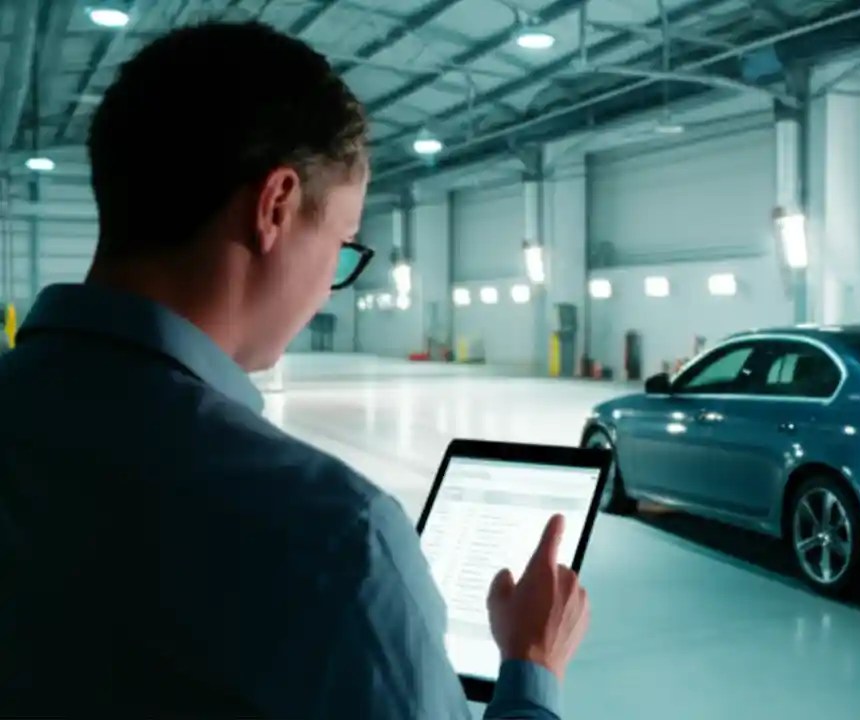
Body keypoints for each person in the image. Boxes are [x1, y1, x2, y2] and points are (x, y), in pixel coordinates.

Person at [0, 21, 588, 719]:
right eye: (341, 243)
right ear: (274, 206)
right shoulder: (335, 542)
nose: (327, 290)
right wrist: (531, 669)